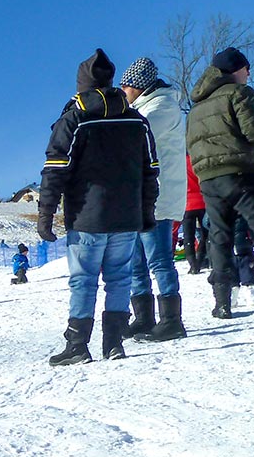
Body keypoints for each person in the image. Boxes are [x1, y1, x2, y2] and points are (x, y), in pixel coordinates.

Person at [38, 48, 159, 365]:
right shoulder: (137, 120)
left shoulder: (75, 119)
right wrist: (147, 213)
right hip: (127, 218)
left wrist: (46, 215)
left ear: (82, 85)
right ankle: (114, 343)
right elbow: (150, 173)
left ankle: (78, 345)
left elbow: (55, 170)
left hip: (87, 218)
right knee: (119, 278)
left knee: (84, 280)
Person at [186, 46, 254, 319]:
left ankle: (222, 301)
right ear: (235, 70)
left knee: (219, 236)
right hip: (240, 172)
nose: (249, 73)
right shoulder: (239, 93)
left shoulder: (196, 107)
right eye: (246, 68)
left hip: (208, 179)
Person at [119, 57, 188, 342]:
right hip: (138, 198)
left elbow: (136, 134)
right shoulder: (141, 108)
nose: (122, 90)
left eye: (126, 86)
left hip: (158, 197)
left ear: (138, 86)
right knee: (135, 261)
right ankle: (144, 317)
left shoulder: (162, 107)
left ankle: (172, 320)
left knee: (159, 259)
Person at [181, 157, 209, 274]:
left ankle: (193, 264)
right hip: (202, 200)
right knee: (205, 234)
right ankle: (202, 259)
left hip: (186, 203)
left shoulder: (179, 162)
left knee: (188, 236)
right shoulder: (197, 160)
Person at [233, 216, 254, 305]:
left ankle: (231, 297)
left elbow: (207, 222)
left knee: (229, 271)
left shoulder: (220, 206)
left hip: (227, 243)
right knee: (248, 269)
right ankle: (252, 296)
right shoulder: (244, 206)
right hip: (245, 243)